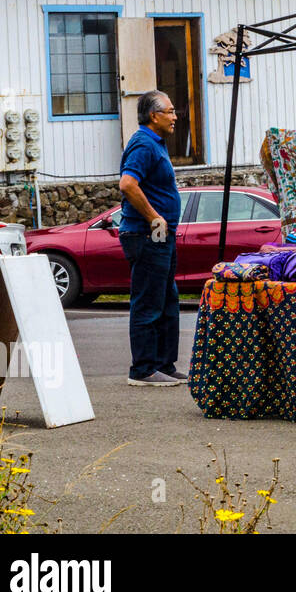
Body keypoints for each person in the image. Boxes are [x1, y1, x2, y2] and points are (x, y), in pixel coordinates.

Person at [118, 91, 184, 386]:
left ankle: (164, 365)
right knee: (148, 301)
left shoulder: (156, 144)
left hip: (160, 234)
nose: (175, 117)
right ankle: (143, 370)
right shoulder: (143, 143)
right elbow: (128, 184)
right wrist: (155, 217)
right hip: (147, 233)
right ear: (154, 116)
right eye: (170, 112)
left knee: (167, 298)